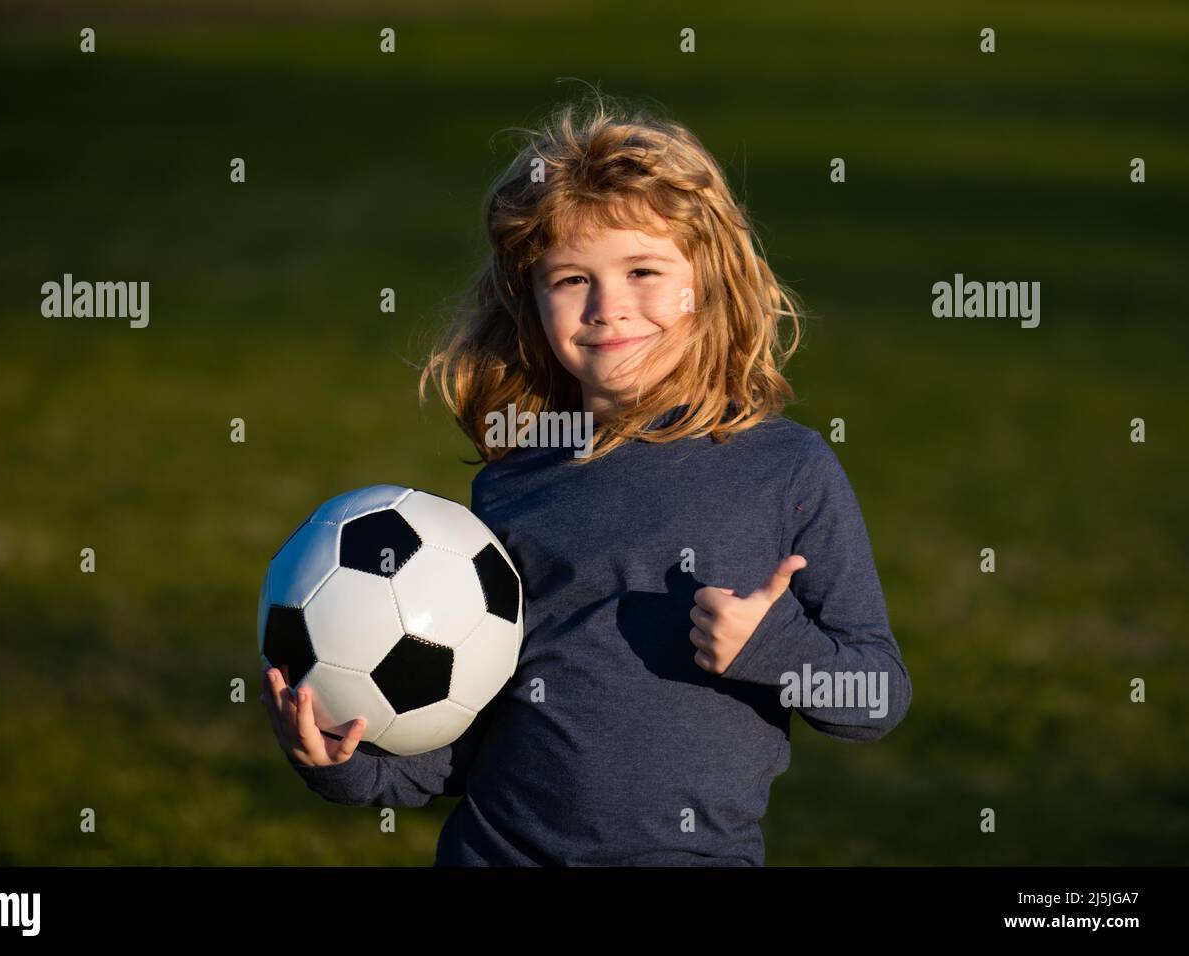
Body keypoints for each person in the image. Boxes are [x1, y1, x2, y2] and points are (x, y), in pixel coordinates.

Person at [261, 87, 912, 865]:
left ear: (707, 281)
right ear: (530, 302)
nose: (608, 307)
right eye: (572, 280)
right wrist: (345, 766)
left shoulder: (787, 468)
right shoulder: (516, 480)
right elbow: (465, 736)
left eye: (643, 270)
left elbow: (875, 698)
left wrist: (774, 648)